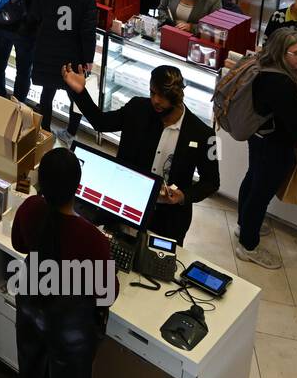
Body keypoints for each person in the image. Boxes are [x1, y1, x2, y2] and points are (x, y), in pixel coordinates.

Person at [11, 148, 116, 378]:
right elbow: (107, 292)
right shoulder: (91, 237)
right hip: (69, 325)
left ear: (40, 181)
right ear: (78, 188)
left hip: (32, 305)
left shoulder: (30, 209)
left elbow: (19, 242)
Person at [65, 59, 220, 244]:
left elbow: (212, 182)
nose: (155, 100)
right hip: (125, 206)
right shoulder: (137, 108)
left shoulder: (206, 135)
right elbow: (101, 122)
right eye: (153, 92)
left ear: (177, 96)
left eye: (162, 95)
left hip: (169, 221)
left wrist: (183, 196)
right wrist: (80, 92)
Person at [234, 30, 297, 269]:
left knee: (253, 180)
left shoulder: (262, 67)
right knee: (261, 193)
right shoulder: (282, 82)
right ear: (282, 52)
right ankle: (248, 245)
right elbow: (293, 123)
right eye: (296, 53)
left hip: (258, 136)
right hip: (275, 144)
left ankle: (243, 225)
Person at [30, 0, 97, 142]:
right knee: (75, 94)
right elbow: (88, 30)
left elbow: (35, 14)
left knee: (47, 91)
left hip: (47, 47)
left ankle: (45, 130)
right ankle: (70, 133)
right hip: (72, 52)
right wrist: (88, 58)